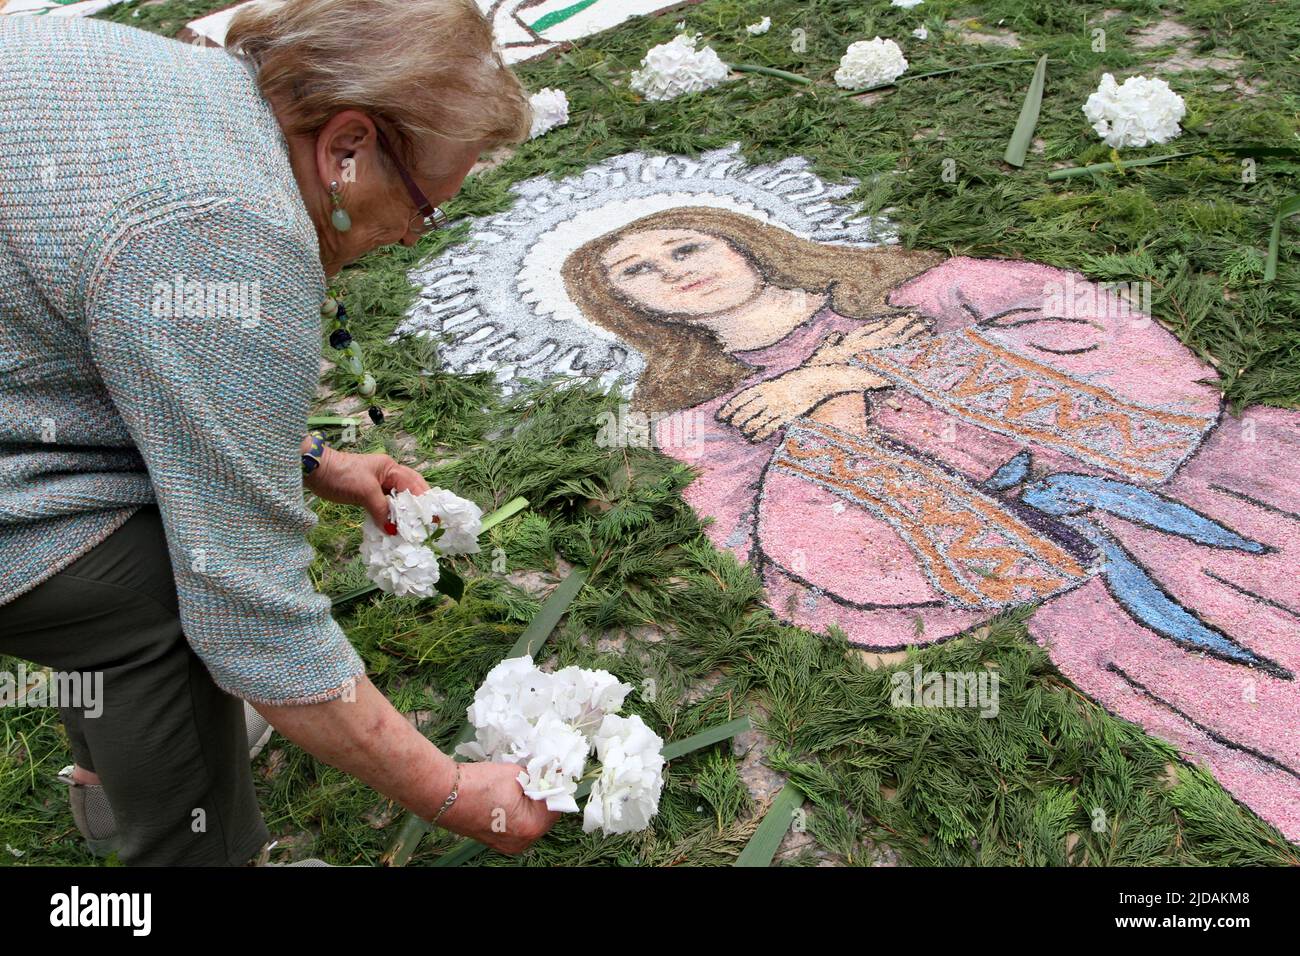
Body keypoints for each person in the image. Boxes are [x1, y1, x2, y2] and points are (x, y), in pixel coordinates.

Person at [0, 0, 558, 865]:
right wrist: (452, 794)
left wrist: (312, 459)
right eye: (424, 206)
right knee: (145, 593)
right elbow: (250, 615)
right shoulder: (229, 234)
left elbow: (119, 342)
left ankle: (118, 779)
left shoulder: (204, 90)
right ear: (346, 147)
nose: (412, 234)